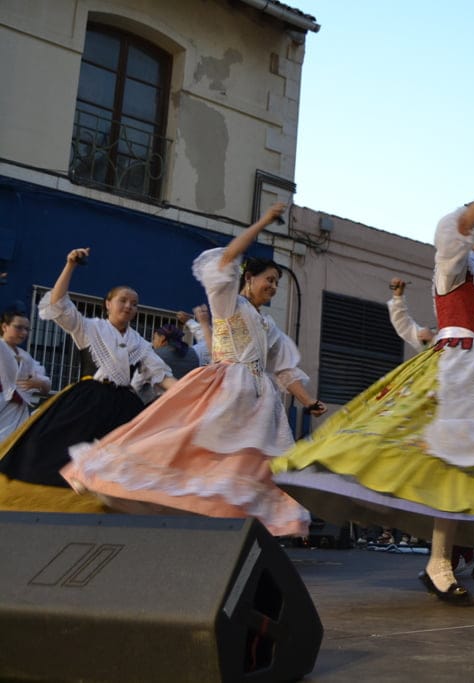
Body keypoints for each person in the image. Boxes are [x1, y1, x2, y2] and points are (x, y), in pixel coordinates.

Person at [273, 160, 474, 605]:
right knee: (454, 463)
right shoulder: (453, 262)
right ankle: (439, 560)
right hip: (459, 371)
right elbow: (457, 225)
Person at [60, 204, 323, 537]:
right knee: (190, 445)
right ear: (248, 279)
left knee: (246, 463)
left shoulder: (269, 324)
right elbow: (227, 258)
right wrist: (264, 222)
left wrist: (308, 401)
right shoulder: (230, 303)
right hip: (227, 385)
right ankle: (114, 476)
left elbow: (284, 369)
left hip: (257, 399)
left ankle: (231, 525)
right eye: (269, 280)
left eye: (275, 282)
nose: (273, 286)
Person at [0, 249, 176, 512]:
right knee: (49, 447)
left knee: (136, 458)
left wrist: (192, 391)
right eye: (123, 300)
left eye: (134, 303)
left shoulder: (139, 343)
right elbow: (58, 304)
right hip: (89, 399)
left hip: (124, 405)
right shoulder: (90, 327)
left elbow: (162, 376)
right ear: (108, 303)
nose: (129, 306)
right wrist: (70, 265)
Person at [0, 309, 50, 441]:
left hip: (16, 413)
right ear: (4, 326)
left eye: (27, 329)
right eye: (18, 328)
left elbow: (46, 386)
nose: (23, 333)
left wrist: (40, 384)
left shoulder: (26, 357)